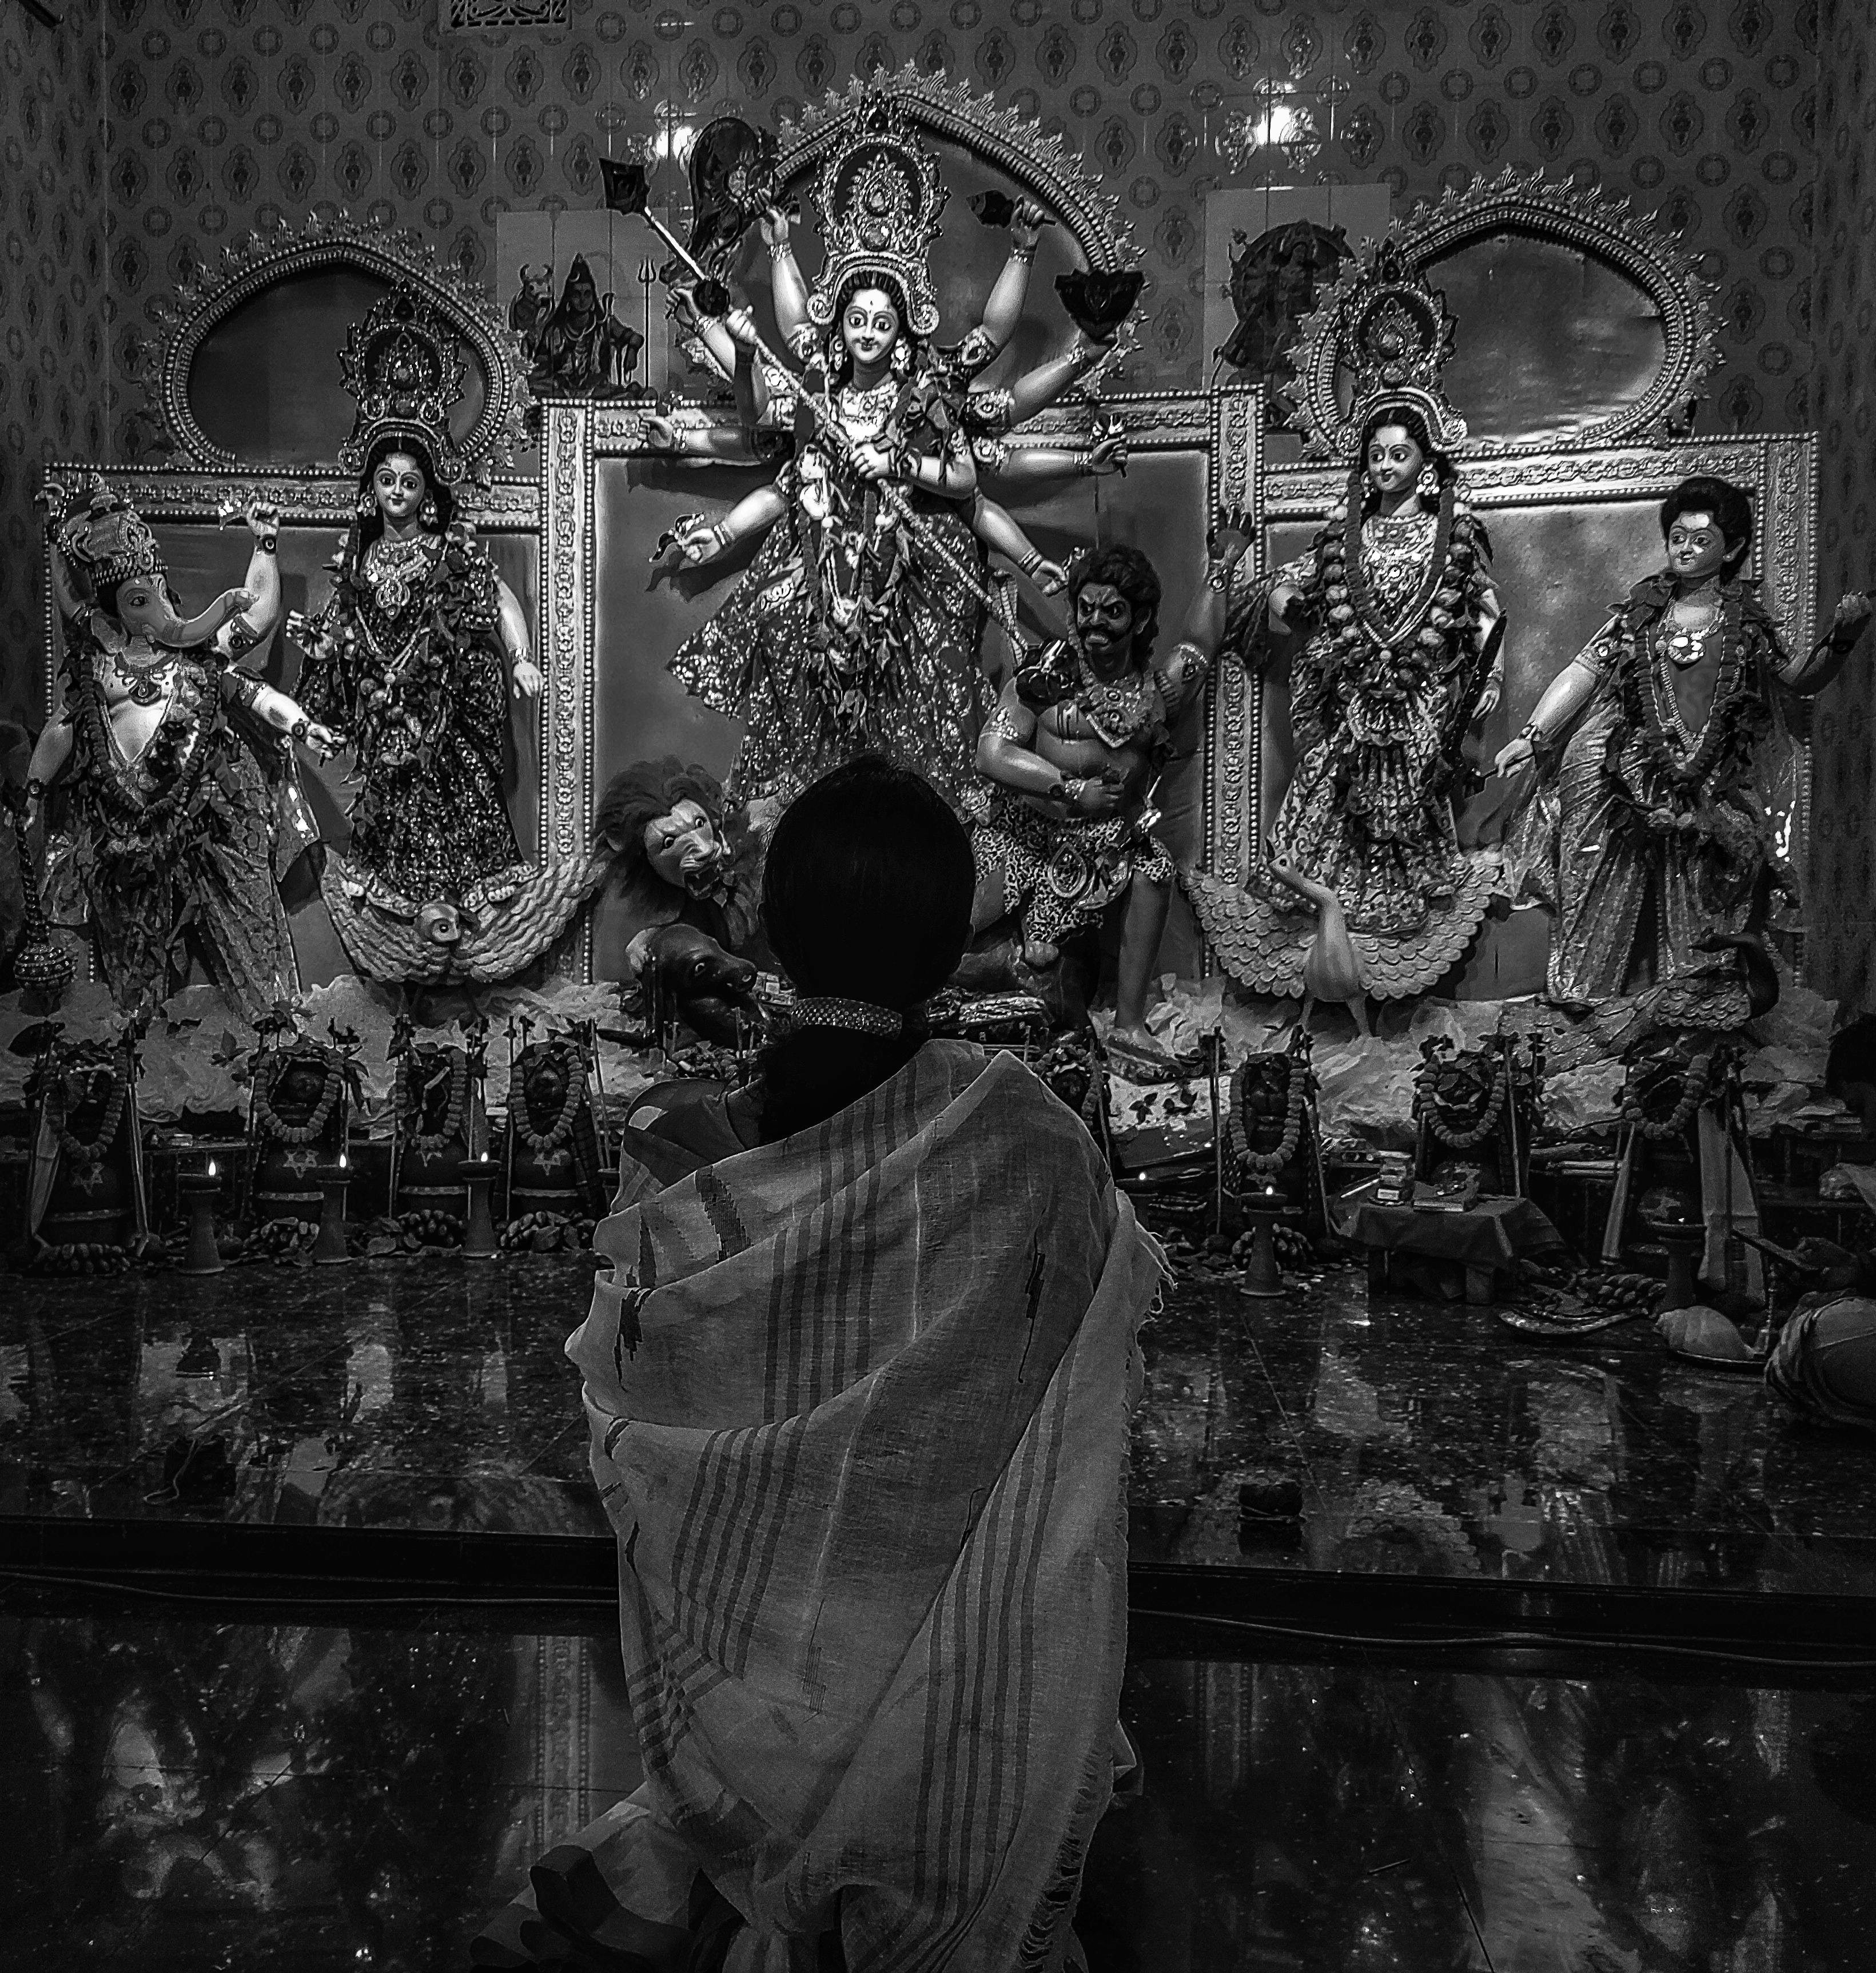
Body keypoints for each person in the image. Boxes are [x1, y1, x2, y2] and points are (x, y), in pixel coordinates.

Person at [527, 758, 1162, 1972]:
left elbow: (626, 1397)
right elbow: (1076, 1403)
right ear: (944, 940)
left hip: (745, 1671)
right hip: (965, 1671)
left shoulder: (683, 1142)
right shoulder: (1027, 1135)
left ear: (776, 920)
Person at [1184, 250, 1505, 1008]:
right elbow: (1297, 587)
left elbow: (1486, 608)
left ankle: (1393, 974)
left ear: (1427, 464)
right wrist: (1281, 603)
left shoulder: (1451, 535)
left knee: (1408, 818)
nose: (1387, 466)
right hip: (1349, 696)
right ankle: (1329, 952)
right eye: (1375, 456)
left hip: (1421, 697)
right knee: (1331, 801)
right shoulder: (1342, 533)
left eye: (1401, 454)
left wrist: (1487, 673)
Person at [1493, 475, 1872, 1006]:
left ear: (1734, 548)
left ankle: (1692, 1009)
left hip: (1710, 781)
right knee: (1598, 882)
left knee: (1704, 897)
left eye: (1702, 539)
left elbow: (1797, 678)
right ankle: (1582, 1003)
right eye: (1677, 537)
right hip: (1625, 777)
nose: (1686, 550)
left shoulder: (1746, 622)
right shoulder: (1642, 611)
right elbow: (1583, 670)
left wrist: (1840, 640)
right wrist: (1534, 737)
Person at [27, 479, 335, 1020]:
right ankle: (134, 1052)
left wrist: (303, 725)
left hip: (213, 813)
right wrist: (33, 790)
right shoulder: (97, 664)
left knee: (250, 937)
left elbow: (257, 631)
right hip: (124, 827)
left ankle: (274, 1029)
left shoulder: (202, 655)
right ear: (118, 612)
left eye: (159, 593)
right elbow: (62, 725)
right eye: (138, 601)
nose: (158, 611)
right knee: (132, 976)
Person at [293, 293, 543, 947]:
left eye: (410, 482)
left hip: (445, 711)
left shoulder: (446, 553)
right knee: (391, 814)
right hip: (383, 713)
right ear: (370, 489)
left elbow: (498, 600)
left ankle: (464, 923)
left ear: (429, 494)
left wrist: (518, 657)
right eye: (386, 480)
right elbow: (341, 619)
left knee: (458, 808)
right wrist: (321, 646)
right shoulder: (358, 557)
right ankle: (408, 930)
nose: (398, 492)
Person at [971, 530, 1249, 1076]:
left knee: (1154, 866)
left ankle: (1129, 1022)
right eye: (1086, 609)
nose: (1095, 623)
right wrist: (1068, 787)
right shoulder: (1043, 681)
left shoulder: (1157, 693)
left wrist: (1222, 565)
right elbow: (992, 752)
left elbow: (1198, 646)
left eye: (1113, 612)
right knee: (967, 920)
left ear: (1141, 621)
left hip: (1104, 847)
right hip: (1026, 834)